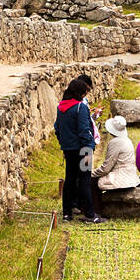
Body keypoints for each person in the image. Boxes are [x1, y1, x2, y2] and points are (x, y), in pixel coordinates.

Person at [54, 77, 104, 223]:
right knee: (85, 180)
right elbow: (84, 130)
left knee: (70, 180)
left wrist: (63, 142)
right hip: (84, 150)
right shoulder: (80, 108)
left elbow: (57, 128)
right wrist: (90, 146)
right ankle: (89, 213)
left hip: (68, 149)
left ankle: (67, 213)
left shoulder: (61, 107)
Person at [91, 116, 140, 211]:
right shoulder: (127, 140)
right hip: (130, 176)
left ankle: (96, 210)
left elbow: (106, 168)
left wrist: (92, 173)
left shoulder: (114, 142)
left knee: (92, 182)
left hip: (120, 178)